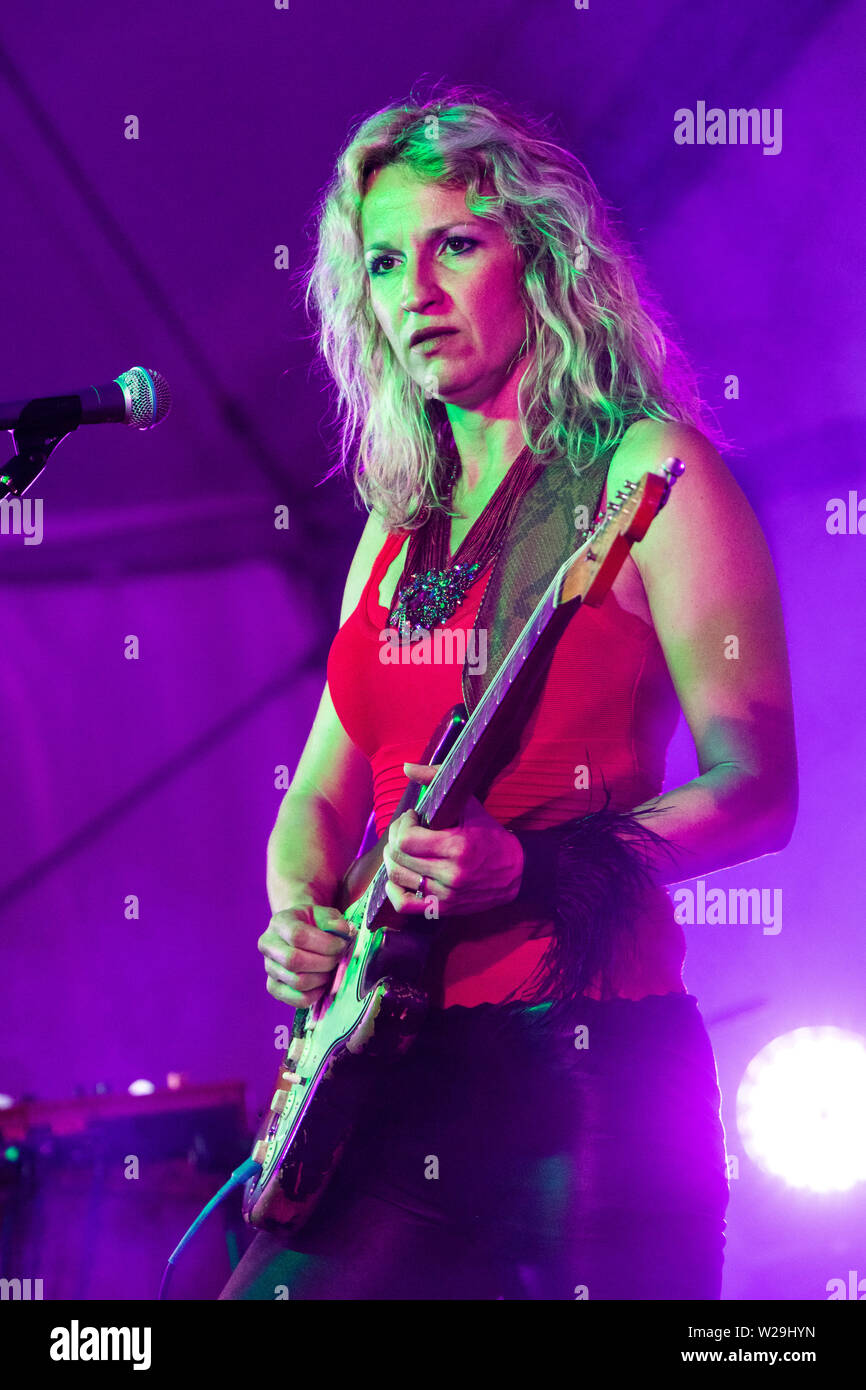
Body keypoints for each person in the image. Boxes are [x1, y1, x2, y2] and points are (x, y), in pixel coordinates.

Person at [219, 83, 798, 1300]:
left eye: (454, 245)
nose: (413, 290)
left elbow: (758, 796)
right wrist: (296, 912)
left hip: (586, 1064)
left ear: (536, 258)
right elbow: (322, 793)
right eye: (382, 262)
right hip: (389, 1064)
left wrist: (529, 868)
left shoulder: (649, 469)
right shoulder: (394, 519)